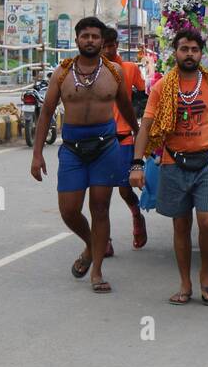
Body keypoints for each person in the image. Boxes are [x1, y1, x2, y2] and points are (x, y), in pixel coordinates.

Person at [131, 28, 208, 306]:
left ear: (201, 54)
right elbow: (147, 126)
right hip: (173, 162)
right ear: (175, 52)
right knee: (181, 225)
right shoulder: (162, 87)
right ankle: (185, 282)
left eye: (194, 49)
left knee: (207, 221)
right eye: (184, 49)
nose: (189, 54)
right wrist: (137, 163)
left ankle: (205, 274)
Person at [31, 17, 138, 293]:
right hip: (73, 149)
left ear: (102, 42)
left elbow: (126, 108)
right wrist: (37, 154)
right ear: (77, 39)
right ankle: (91, 244)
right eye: (85, 36)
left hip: (106, 148)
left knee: (100, 208)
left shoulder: (115, 72)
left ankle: (98, 271)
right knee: (69, 210)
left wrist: (140, 138)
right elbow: (46, 113)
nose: (90, 40)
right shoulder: (62, 72)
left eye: (95, 36)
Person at [102, 26, 148, 250]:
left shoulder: (129, 68)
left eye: (112, 45)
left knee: (124, 189)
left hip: (124, 136)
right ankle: (105, 239)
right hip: (100, 137)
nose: (110, 50)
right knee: (101, 193)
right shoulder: (91, 71)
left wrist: (138, 124)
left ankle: (136, 214)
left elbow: (142, 98)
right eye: (106, 46)